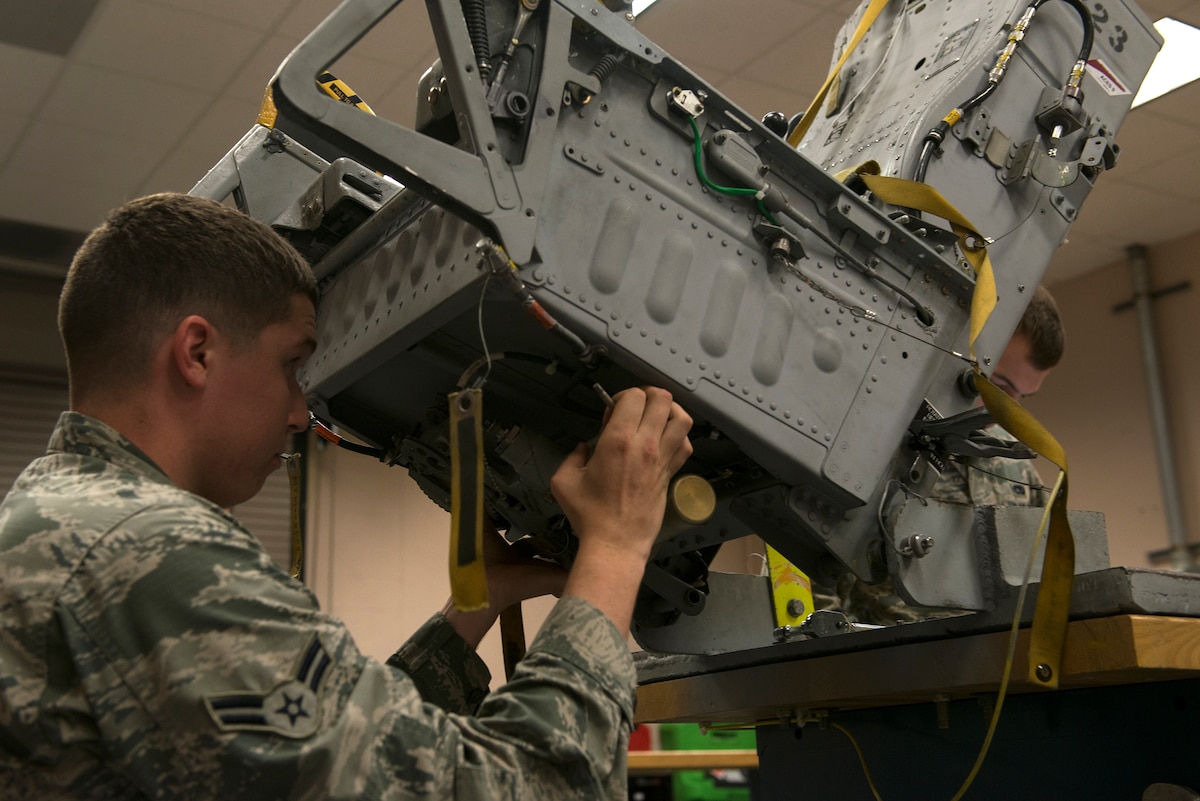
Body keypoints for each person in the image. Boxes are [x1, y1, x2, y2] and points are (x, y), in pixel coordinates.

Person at [0, 193, 694, 799]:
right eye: (291, 365)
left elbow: (307, 762)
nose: (301, 412)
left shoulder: (57, 523)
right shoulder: (149, 547)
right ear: (198, 352)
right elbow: (530, 786)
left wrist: (475, 607)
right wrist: (615, 543)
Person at [822, 285, 1066, 624]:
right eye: (1002, 387)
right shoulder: (873, 441)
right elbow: (815, 574)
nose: (1007, 412)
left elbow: (1042, 574)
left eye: (1023, 397)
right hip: (880, 663)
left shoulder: (1014, 466)